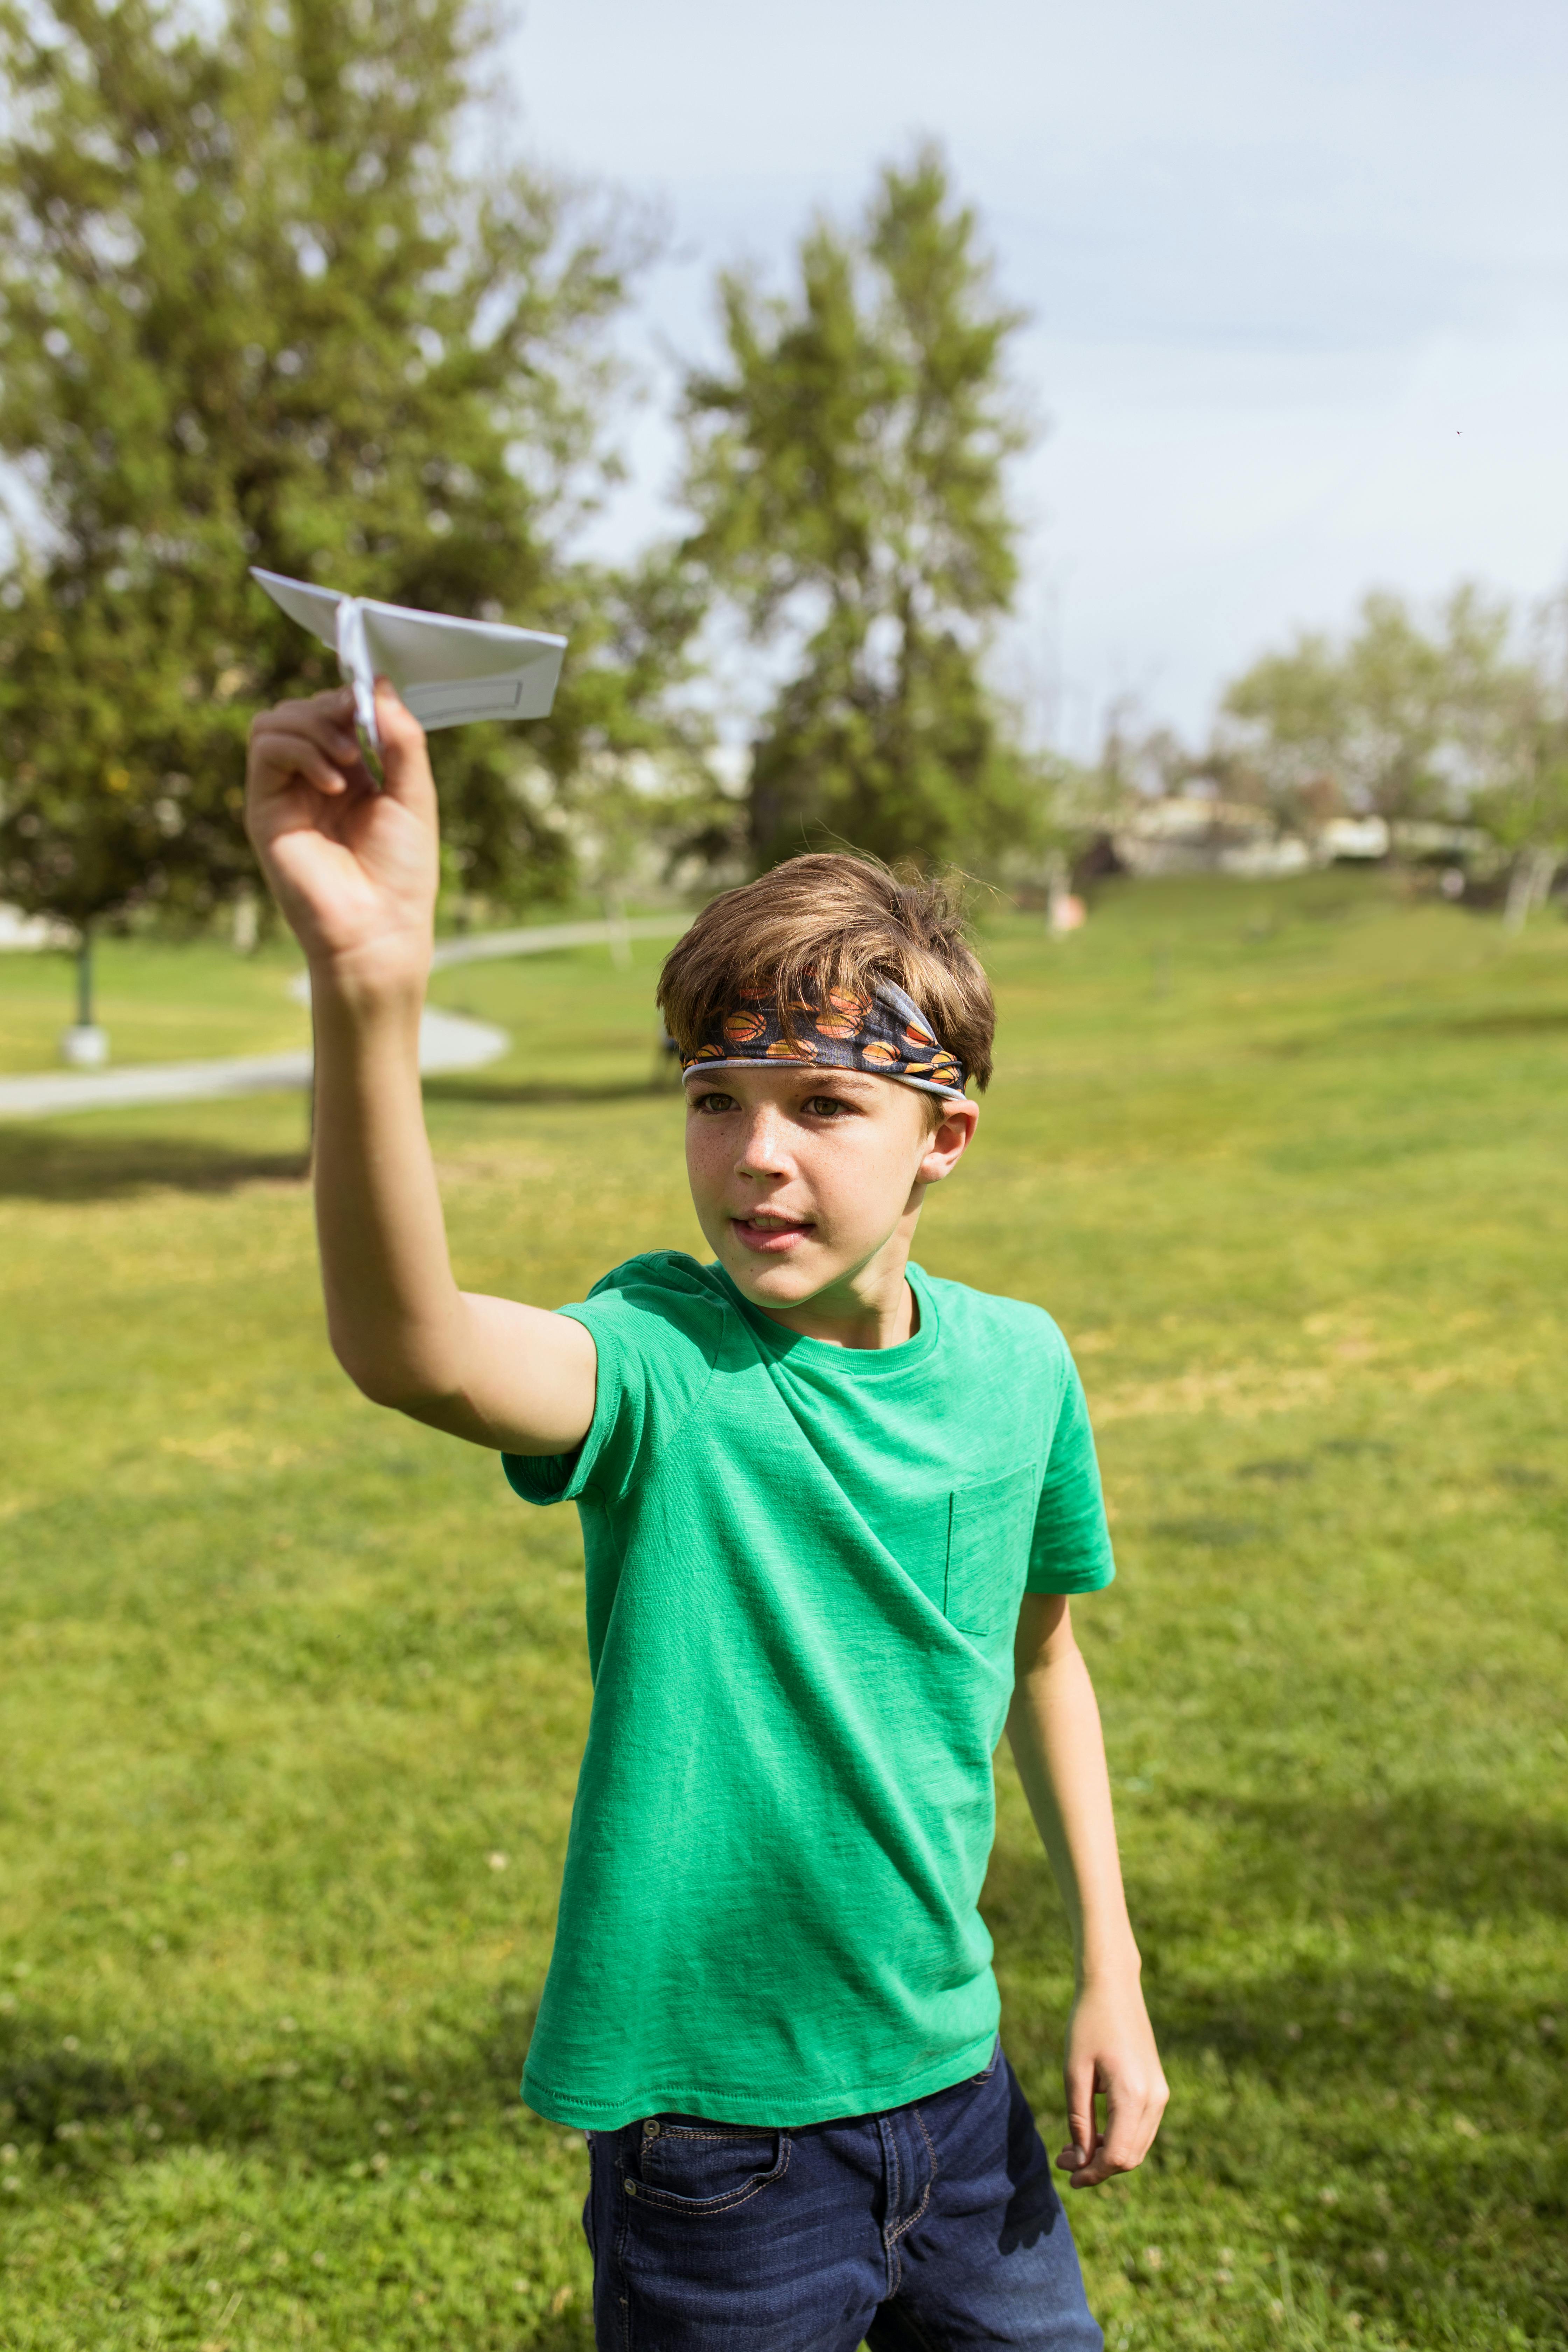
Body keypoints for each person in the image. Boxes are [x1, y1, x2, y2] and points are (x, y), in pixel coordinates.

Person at [245, 678, 1169, 2352]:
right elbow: (418, 1352)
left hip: (960, 2095)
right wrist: (369, 990)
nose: (755, 1155)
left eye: (823, 1107)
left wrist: (1108, 1964)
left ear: (941, 1137)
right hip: (716, 2146)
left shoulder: (1021, 1370)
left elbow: (1042, 1661)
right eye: (714, 1099)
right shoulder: (661, 1358)